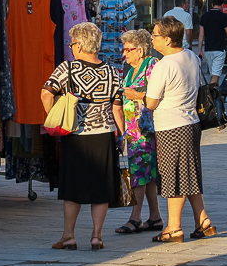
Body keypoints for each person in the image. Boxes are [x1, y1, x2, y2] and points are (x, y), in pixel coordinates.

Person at [42, 22, 125, 251]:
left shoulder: (67, 69)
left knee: (73, 188)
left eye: (72, 43)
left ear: (79, 45)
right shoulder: (111, 71)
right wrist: (122, 134)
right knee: (101, 189)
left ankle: (69, 236)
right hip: (103, 134)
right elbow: (117, 108)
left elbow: (46, 93)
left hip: (75, 134)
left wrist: (55, 115)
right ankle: (96, 236)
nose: (71, 47)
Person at [145, 16, 216, 243]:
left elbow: (151, 102)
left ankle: (174, 227)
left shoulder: (163, 65)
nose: (152, 39)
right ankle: (202, 219)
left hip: (170, 125)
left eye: (155, 35)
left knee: (173, 176)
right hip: (191, 122)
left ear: (167, 39)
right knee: (189, 173)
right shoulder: (191, 56)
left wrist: (137, 95)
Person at [114, 30, 163, 235]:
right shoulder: (129, 70)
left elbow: (158, 94)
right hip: (132, 132)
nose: (124, 53)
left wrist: (137, 95)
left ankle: (135, 218)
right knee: (148, 175)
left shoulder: (152, 66)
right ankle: (155, 217)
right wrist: (122, 131)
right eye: (123, 48)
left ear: (140, 50)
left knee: (139, 174)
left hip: (146, 131)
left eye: (128, 49)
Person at [198, 0, 227, 84]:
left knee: (214, 74)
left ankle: (215, 96)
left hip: (208, 50)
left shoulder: (204, 16)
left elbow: (201, 34)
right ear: (222, 5)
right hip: (219, 50)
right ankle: (209, 95)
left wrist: (200, 50)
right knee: (215, 76)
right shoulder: (224, 17)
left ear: (212, 4)